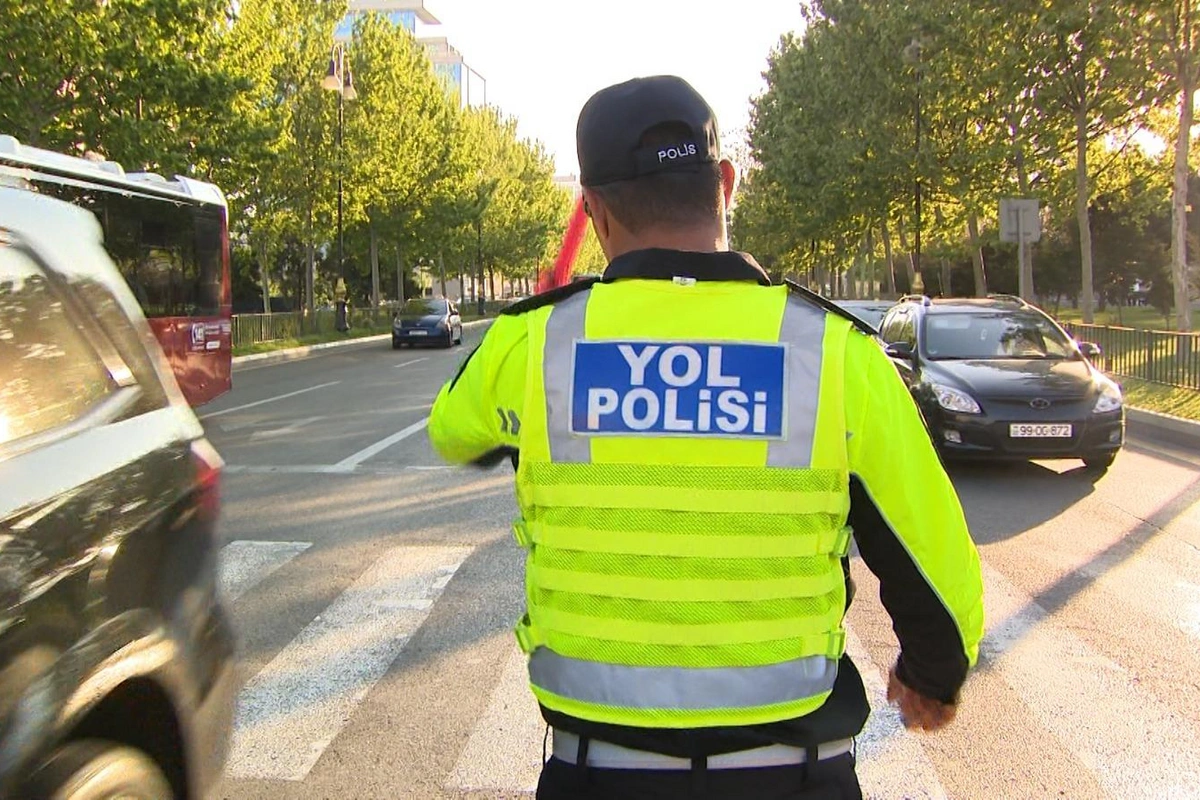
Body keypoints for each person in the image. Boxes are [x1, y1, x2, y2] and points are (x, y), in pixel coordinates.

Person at [428, 75, 984, 800]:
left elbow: (453, 430)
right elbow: (931, 554)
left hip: (596, 777)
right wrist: (933, 673)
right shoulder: (838, 354)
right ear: (725, 183)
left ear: (592, 209)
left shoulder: (531, 345)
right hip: (793, 780)